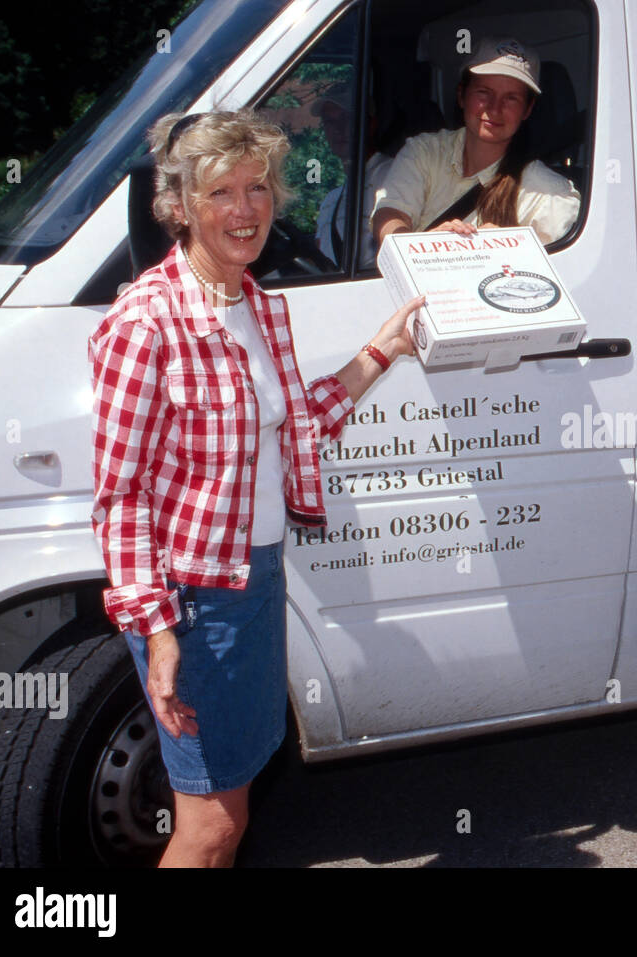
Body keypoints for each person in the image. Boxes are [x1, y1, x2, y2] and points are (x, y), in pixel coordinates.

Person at [89, 109, 425, 867]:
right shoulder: (146, 321)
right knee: (210, 824)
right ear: (178, 206)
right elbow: (122, 496)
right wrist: (158, 628)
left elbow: (291, 422)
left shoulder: (257, 305)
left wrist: (382, 350)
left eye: (258, 188)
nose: (245, 210)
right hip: (196, 601)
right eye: (220, 193)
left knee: (225, 813)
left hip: (255, 582)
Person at [371, 36, 580, 245]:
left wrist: (512, 250)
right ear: (462, 95)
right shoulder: (425, 151)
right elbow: (389, 215)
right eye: (483, 92)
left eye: (511, 98)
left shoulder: (548, 194)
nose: (494, 108)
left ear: (527, 109)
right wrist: (425, 247)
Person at [312, 82, 391, 268]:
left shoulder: (392, 176)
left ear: (370, 123)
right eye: (330, 121)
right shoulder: (331, 200)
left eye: (347, 118)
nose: (339, 129)